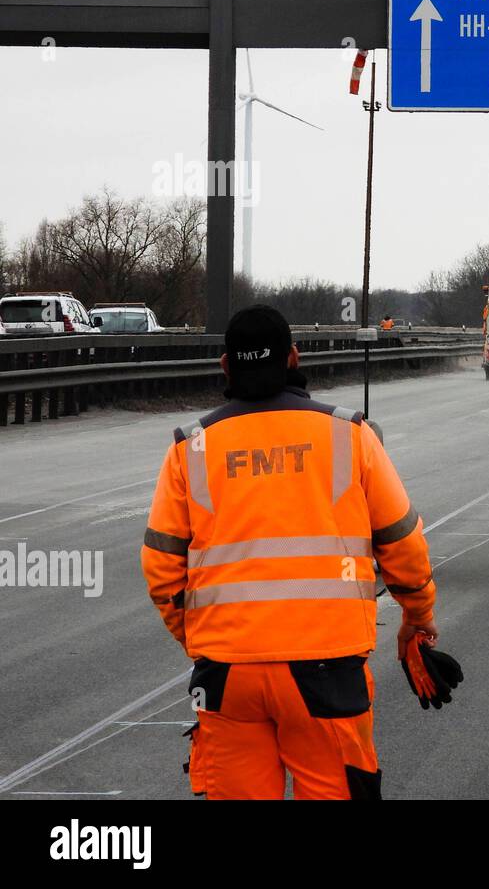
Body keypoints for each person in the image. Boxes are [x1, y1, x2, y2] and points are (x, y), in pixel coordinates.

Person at [140, 305, 437, 799]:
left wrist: (201, 638)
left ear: (225, 367)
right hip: (328, 672)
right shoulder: (349, 433)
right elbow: (402, 542)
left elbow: (161, 568)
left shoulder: (189, 448)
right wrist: (418, 616)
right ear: (295, 358)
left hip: (227, 675)